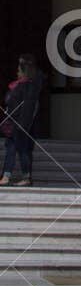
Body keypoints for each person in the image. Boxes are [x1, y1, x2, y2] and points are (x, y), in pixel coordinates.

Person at [0, 55, 42, 187]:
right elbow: (9, 102)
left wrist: (23, 126)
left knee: (22, 151)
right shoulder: (16, 86)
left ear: (25, 71)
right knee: (11, 149)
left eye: (19, 70)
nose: (17, 72)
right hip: (12, 124)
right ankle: (7, 176)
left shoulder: (29, 87)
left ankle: (25, 177)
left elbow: (28, 108)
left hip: (21, 125)